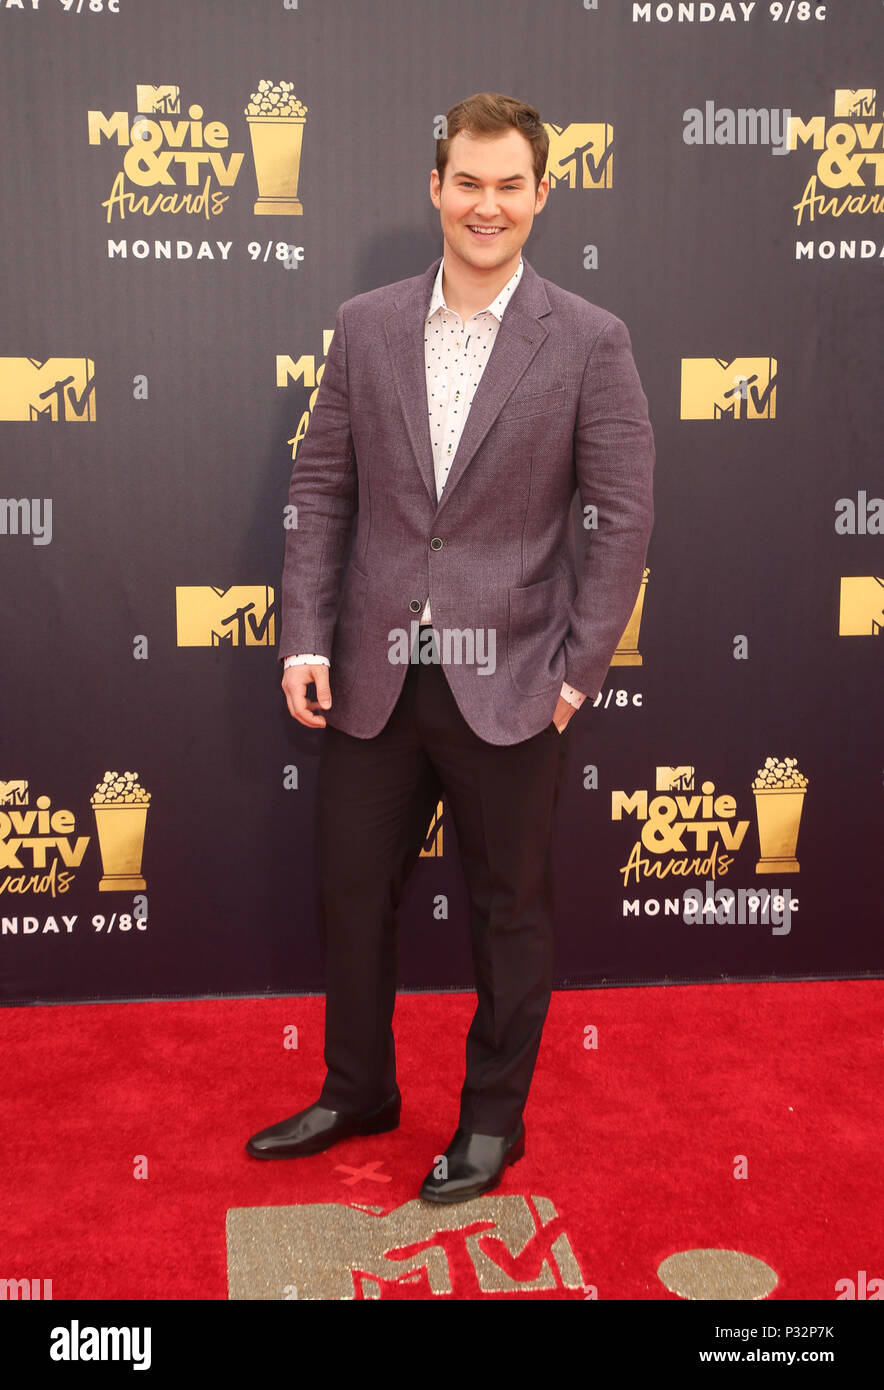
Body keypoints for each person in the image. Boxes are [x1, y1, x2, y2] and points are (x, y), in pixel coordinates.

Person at [246, 91, 654, 1203]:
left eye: (508, 185)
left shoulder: (588, 340)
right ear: (435, 188)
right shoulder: (367, 323)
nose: (486, 205)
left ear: (539, 195)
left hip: (516, 682)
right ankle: (356, 1088)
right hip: (375, 673)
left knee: (508, 911)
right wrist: (301, 638)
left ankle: (489, 1122)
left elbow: (620, 518)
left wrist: (576, 674)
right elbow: (321, 486)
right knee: (349, 893)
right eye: (465, 182)